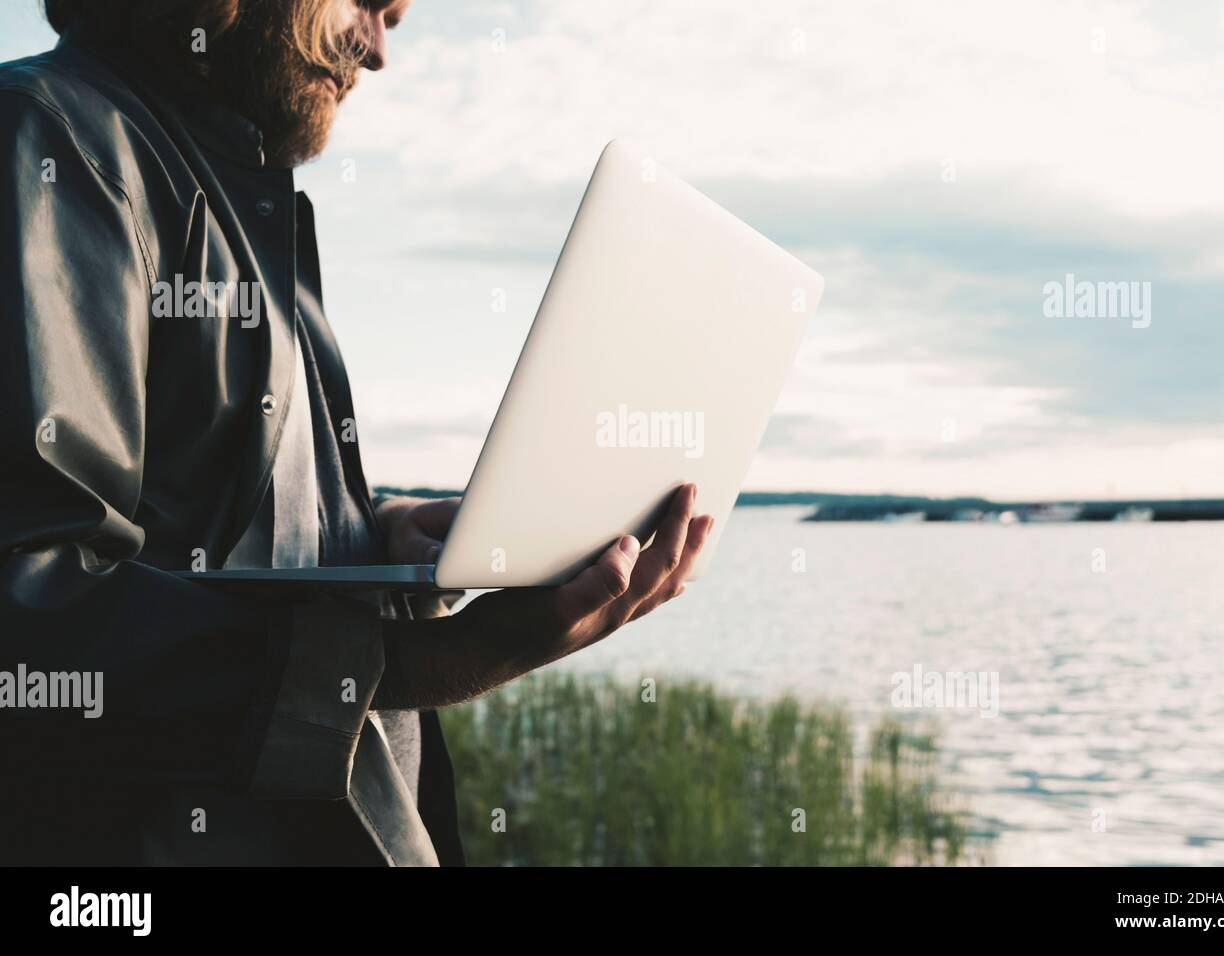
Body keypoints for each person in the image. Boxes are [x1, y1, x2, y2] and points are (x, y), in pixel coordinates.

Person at [0, 0, 713, 865]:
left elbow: (220, 526)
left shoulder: (259, 215)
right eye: (372, 5)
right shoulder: (52, 133)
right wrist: (450, 655)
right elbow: (32, 605)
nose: (376, 50)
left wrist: (375, 537)